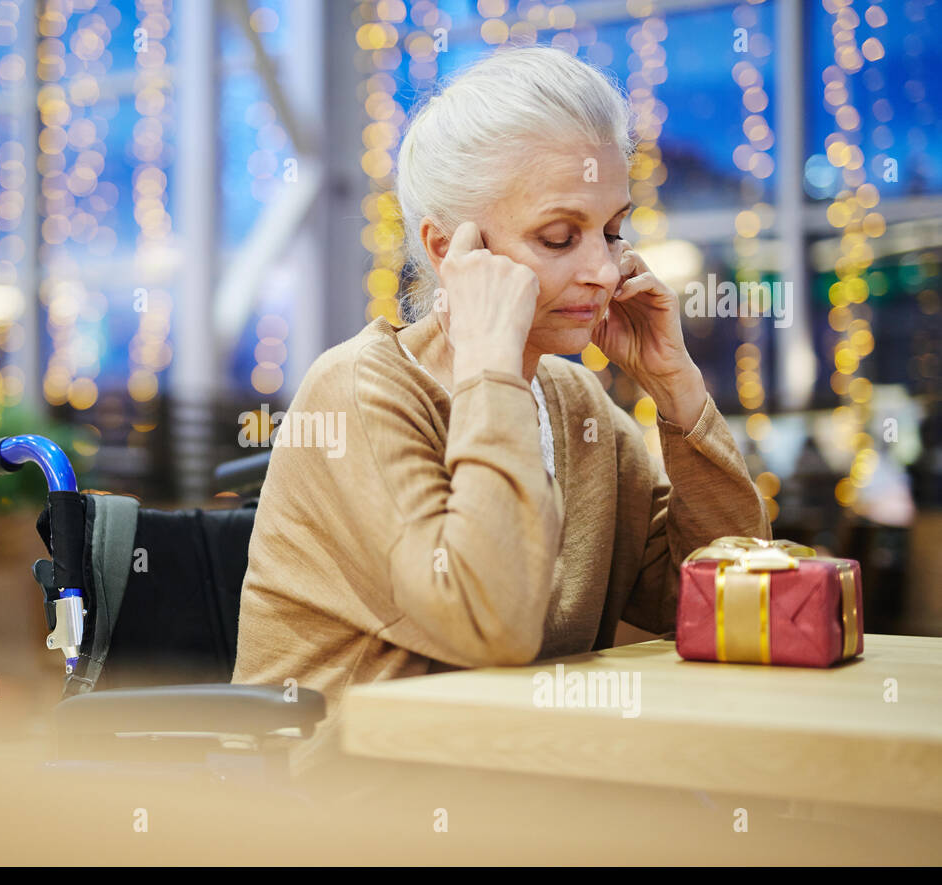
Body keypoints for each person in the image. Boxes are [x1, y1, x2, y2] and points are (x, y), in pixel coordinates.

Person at [232, 45, 770, 754]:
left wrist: (677, 388)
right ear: (445, 250)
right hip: (352, 802)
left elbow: (709, 596)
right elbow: (489, 625)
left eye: (612, 232)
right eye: (559, 236)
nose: (605, 270)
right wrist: (490, 368)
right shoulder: (358, 391)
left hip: (521, 775)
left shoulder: (574, 401)